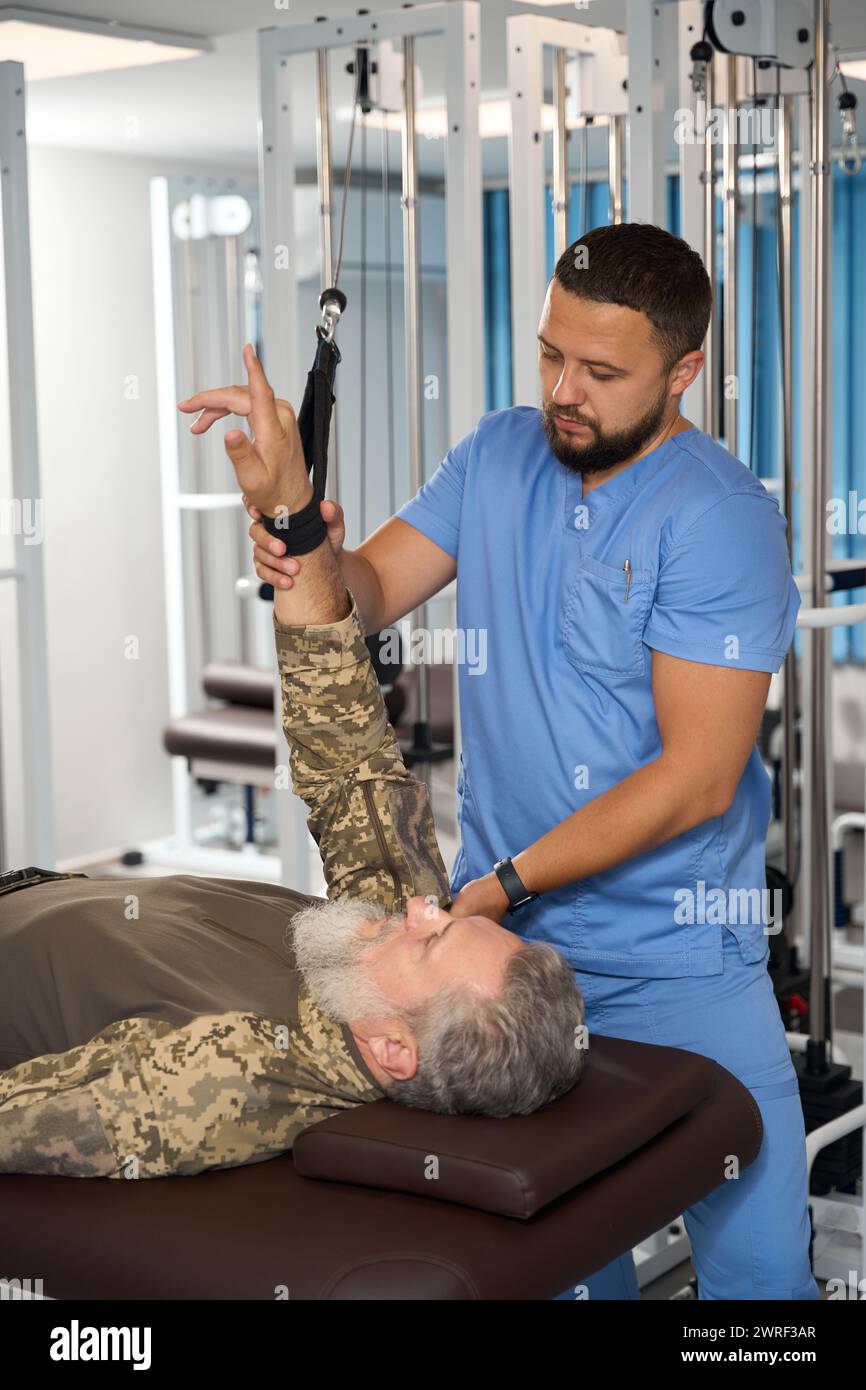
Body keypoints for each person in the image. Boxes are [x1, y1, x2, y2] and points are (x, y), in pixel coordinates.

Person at [210, 223, 817, 1300]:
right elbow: (364, 594)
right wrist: (295, 520)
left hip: (676, 962)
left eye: (598, 370)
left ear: (681, 371)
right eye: (548, 355)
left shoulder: (720, 516)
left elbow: (697, 779)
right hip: (502, 976)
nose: (562, 390)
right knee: (559, 1276)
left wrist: (497, 888)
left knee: (759, 1287)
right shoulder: (494, 453)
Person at [0, 344, 585, 1181]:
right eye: (450, 920)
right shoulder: (383, 941)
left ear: (392, 1050)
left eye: (431, 942)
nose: (427, 910)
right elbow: (345, 741)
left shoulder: (221, 1084)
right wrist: (293, 514)